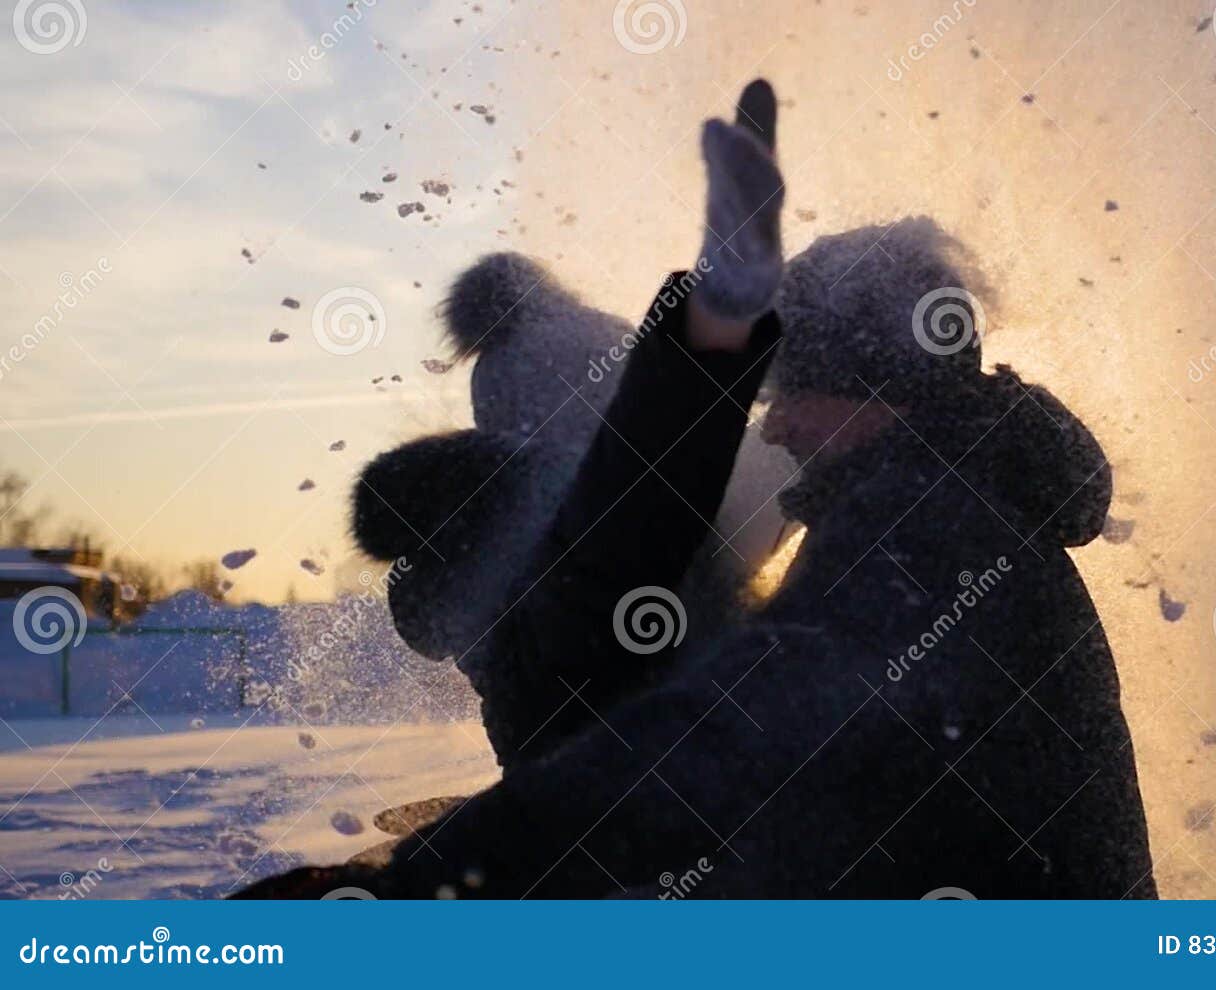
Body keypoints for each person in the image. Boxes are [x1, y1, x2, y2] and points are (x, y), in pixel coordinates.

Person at [238, 79, 1155, 899]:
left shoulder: (923, 530)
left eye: (797, 389)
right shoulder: (931, 497)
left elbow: (721, 747)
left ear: (877, 390)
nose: (778, 420)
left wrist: (424, 882)